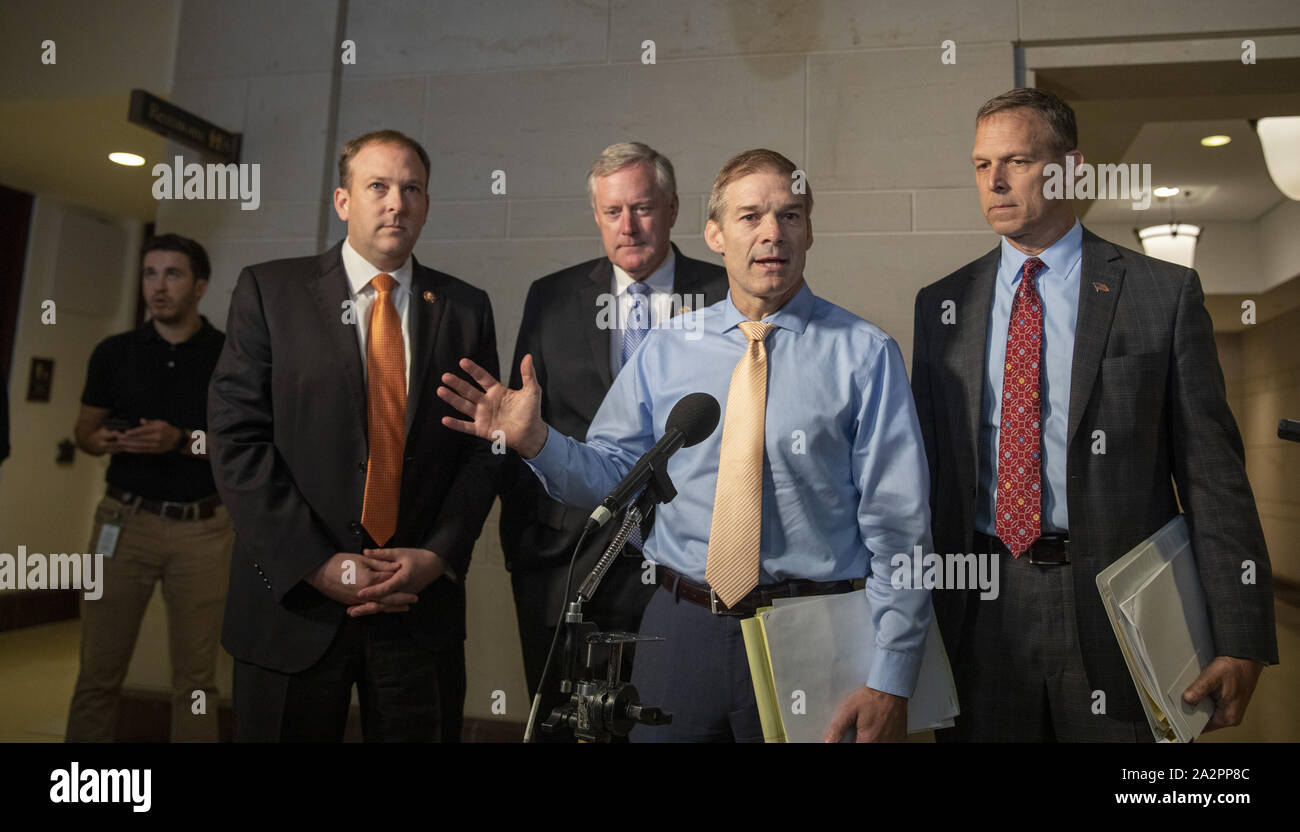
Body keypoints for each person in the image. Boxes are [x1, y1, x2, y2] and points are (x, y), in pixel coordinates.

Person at [441, 148, 933, 743]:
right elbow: (614, 477)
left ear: (810, 230)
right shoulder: (668, 347)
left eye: (791, 215)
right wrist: (537, 441)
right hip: (680, 628)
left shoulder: (866, 354)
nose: (772, 233)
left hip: (814, 631)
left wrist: (892, 676)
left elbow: (899, 529)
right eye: (750, 216)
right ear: (716, 234)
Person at [911, 87, 1279, 741]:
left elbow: (1212, 477)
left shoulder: (1161, 295)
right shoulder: (943, 305)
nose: (993, 181)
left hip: (1122, 607)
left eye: (1017, 161)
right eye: (980, 164)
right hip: (980, 607)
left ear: (1071, 169)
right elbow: (927, 479)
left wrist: (1241, 636)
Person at [208, 129, 501, 742]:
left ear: (426, 203)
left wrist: (438, 555)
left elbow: (483, 448)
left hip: (416, 607)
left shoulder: (466, 308)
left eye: (412, 188)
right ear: (343, 201)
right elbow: (237, 439)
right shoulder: (270, 292)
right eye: (378, 187)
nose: (396, 202)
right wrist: (317, 565)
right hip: (293, 606)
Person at [500, 142, 727, 738]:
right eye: (612, 212)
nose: (628, 227)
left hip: (687, 575)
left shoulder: (726, 293)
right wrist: (526, 555)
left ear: (674, 208)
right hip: (568, 566)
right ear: (596, 217)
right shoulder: (550, 296)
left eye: (644, 208)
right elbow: (526, 427)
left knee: (666, 728)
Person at [67, 234, 231, 742]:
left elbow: (238, 443)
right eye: (149, 274)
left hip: (202, 530)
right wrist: (105, 439)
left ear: (200, 286)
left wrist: (179, 439)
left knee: (196, 680)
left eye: (172, 274)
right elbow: (84, 433)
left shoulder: (229, 355)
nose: (158, 287)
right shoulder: (114, 353)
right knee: (97, 670)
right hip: (123, 521)